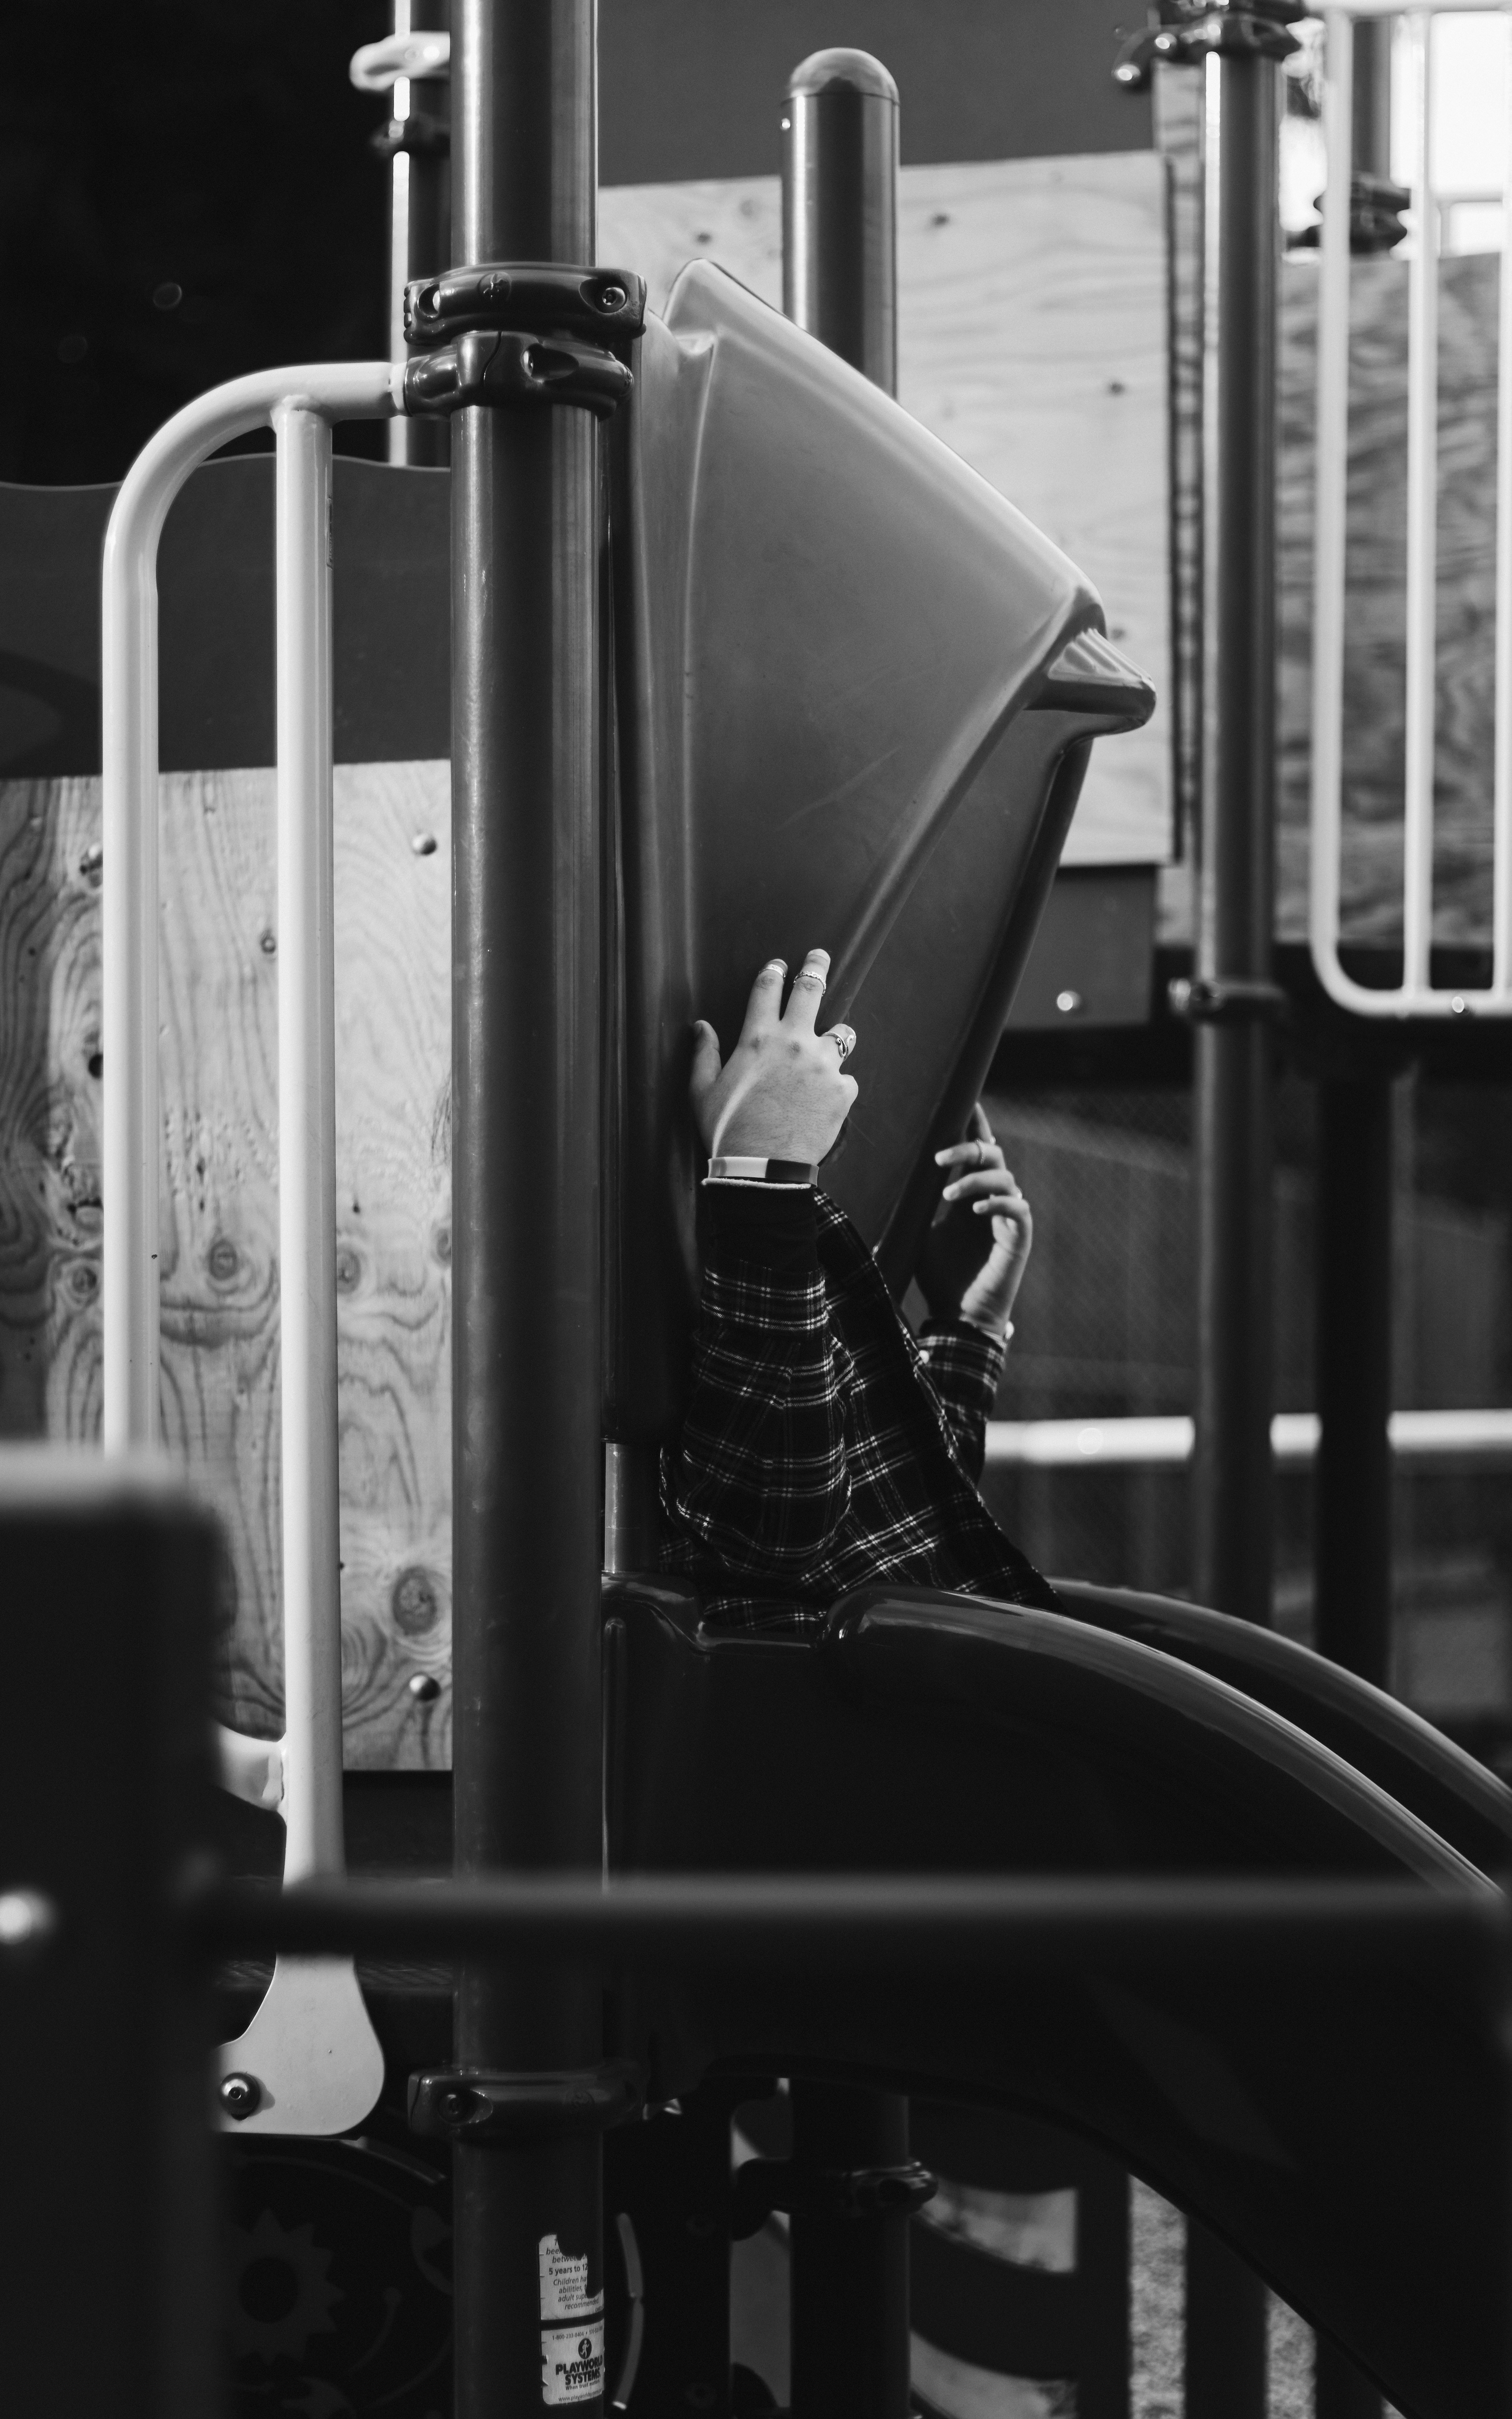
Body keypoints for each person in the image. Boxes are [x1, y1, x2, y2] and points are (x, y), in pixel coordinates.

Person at [659, 945, 1061, 1629]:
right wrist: (765, 1177)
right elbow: (779, 1526)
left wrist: (970, 1325)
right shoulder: (716, 1267)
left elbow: (902, 1519)